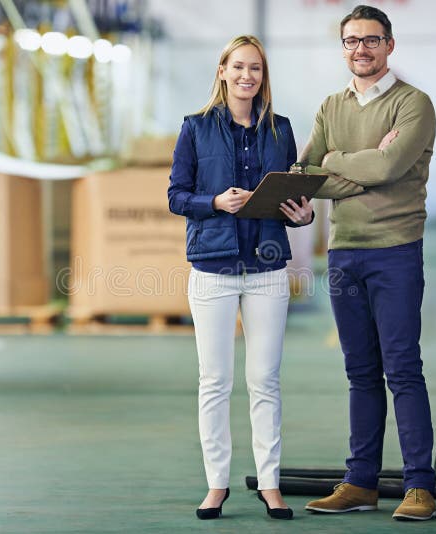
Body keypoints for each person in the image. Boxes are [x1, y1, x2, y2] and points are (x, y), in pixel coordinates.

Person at [299, 5, 436, 521]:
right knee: (359, 371)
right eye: (352, 41)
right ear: (344, 48)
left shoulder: (413, 104)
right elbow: (304, 171)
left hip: (396, 249)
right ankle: (360, 482)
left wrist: (335, 162)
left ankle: (419, 485)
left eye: (372, 40)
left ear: (390, 45)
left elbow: (388, 165)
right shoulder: (331, 106)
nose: (361, 49)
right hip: (344, 250)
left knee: (402, 368)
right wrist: (354, 169)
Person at [168, 34, 313, 521]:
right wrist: (214, 203)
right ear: (223, 72)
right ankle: (216, 485)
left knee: (265, 380)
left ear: (262, 76)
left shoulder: (281, 130)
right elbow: (175, 196)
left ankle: (270, 484)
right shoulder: (195, 128)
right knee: (215, 381)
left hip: (268, 268)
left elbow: (291, 201)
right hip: (213, 269)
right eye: (239, 67)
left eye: (256, 69)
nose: (247, 76)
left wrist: (303, 215)